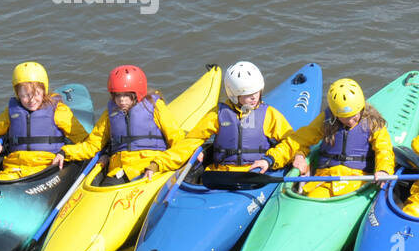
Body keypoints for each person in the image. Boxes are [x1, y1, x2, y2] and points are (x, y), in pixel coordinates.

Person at [58, 65, 190, 186]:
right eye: (117, 95)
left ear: (137, 93)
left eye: (127, 96)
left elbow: (175, 136)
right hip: (119, 170)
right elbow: (92, 145)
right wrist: (66, 152)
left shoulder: (154, 106)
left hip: (151, 164)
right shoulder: (110, 114)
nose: (121, 100)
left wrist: (188, 152)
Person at [158, 61, 298, 175]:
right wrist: (158, 164)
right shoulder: (218, 114)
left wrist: (271, 159)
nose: (254, 97)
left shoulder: (269, 115)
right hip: (222, 173)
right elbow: (191, 141)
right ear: (234, 95)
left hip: (255, 172)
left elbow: (292, 143)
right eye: (248, 94)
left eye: (257, 91)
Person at [0, 61, 90, 181]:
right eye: (25, 95)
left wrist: (66, 152)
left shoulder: (58, 111)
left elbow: (85, 141)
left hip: (47, 167)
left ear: (44, 90)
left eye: (36, 94)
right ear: (18, 94)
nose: (31, 100)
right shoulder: (11, 112)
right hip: (15, 167)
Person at [287, 78, 395, 199]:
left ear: (361, 107)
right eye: (344, 117)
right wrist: (299, 155)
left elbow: (384, 149)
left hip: (360, 178)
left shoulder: (373, 123)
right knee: (313, 197)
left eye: (353, 116)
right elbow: (299, 139)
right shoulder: (326, 119)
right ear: (335, 113)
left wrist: (384, 170)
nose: (350, 121)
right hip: (327, 178)